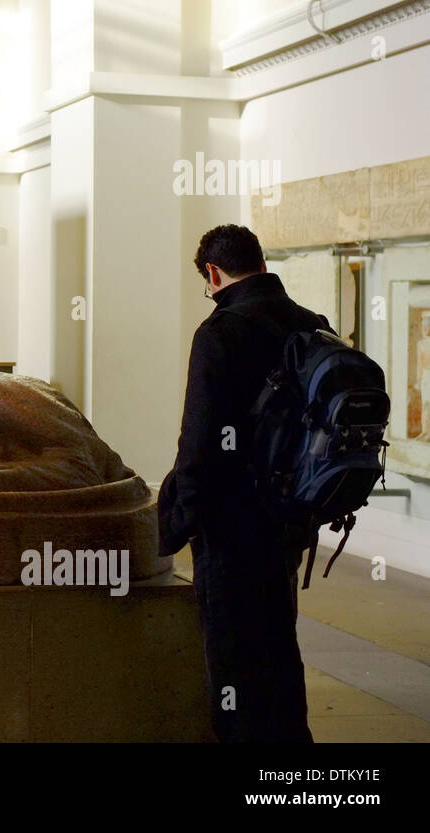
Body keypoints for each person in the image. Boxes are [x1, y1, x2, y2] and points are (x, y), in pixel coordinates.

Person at [158, 224, 330, 744]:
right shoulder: (309, 324)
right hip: (290, 520)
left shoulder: (220, 332)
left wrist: (174, 523)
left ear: (212, 273)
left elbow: (200, 444)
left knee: (233, 670)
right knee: (279, 652)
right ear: (260, 260)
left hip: (232, 530)